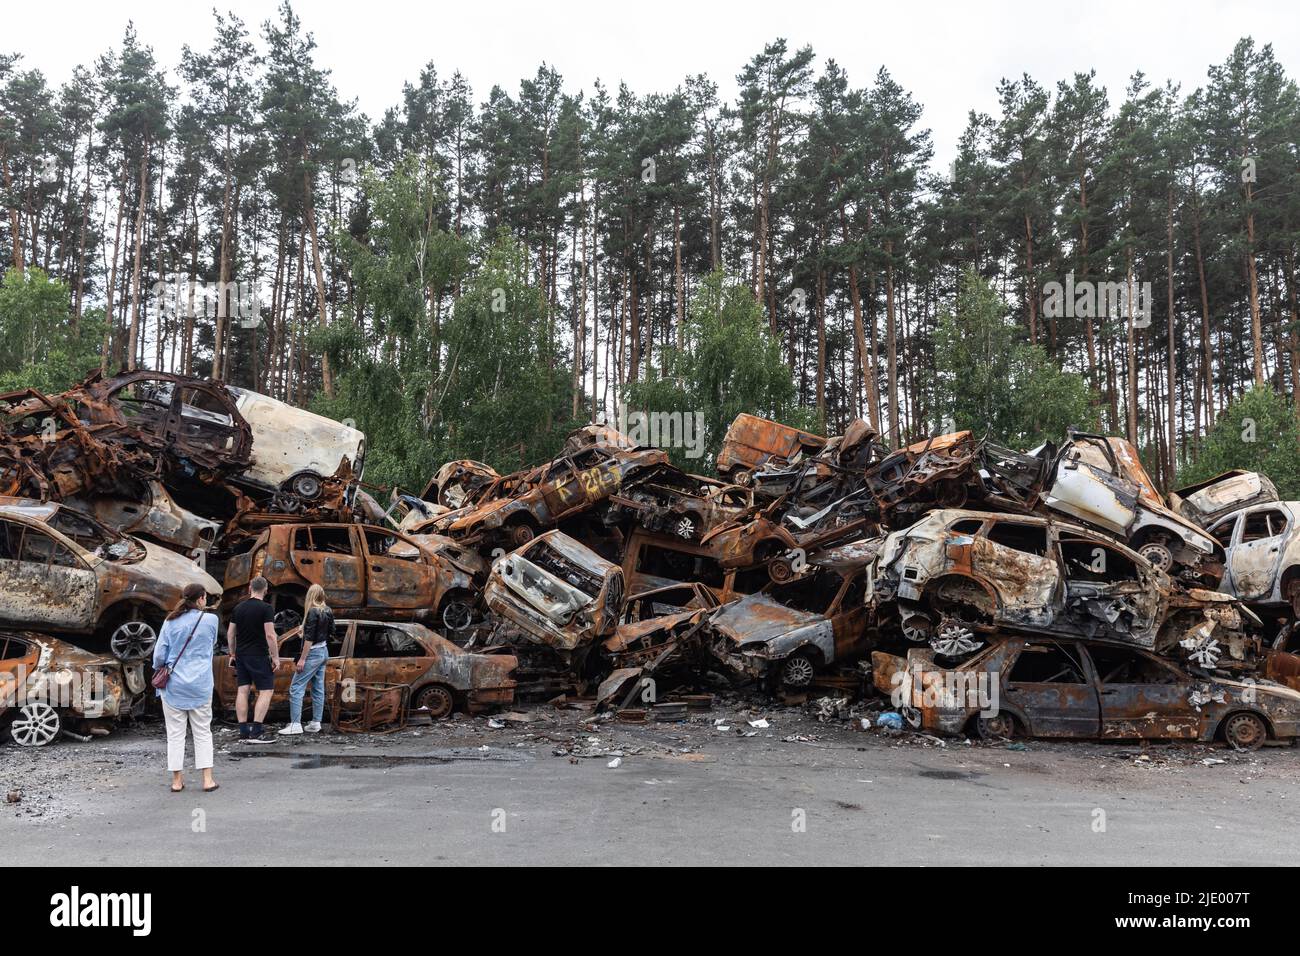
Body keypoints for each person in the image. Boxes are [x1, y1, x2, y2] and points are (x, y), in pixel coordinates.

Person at [152, 582, 220, 793]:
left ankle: (177, 781)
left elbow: (159, 656)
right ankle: (207, 780)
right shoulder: (211, 620)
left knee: (175, 735)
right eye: (205, 598)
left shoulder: (170, 621)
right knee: (202, 732)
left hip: (174, 685)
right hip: (201, 684)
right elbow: (212, 644)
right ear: (200, 599)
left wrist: (159, 668)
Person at [228, 575, 280, 742]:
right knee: (266, 690)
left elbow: (230, 634)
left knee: (243, 690)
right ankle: (256, 731)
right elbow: (270, 635)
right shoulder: (266, 609)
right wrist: (275, 657)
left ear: (250, 588)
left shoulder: (238, 608)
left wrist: (232, 654)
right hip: (258, 655)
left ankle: (243, 731)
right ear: (265, 590)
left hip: (241, 655)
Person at [280, 584, 333, 735]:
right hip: (324, 651)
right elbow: (331, 631)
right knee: (318, 688)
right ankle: (316, 723)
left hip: (313, 653)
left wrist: (302, 659)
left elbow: (309, 639)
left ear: (310, 596)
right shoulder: (328, 610)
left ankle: (295, 724)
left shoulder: (311, 611)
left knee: (296, 688)